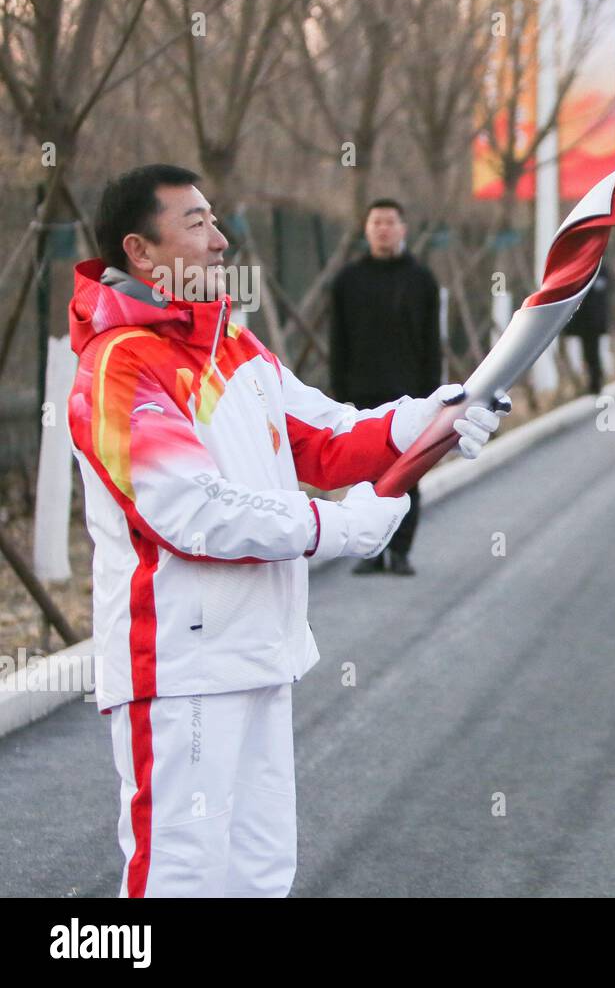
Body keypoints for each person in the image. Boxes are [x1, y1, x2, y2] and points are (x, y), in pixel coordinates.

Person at [66, 164, 507, 897]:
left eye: (215, 220)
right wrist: (341, 527)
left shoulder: (233, 347)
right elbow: (195, 512)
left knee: (261, 875)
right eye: (197, 224)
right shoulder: (118, 366)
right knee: (182, 875)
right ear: (140, 250)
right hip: (181, 671)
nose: (220, 240)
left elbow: (327, 437)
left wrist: (430, 417)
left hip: (263, 653)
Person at [329, 199, 442, 575]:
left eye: (390, 222)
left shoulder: (421, 279)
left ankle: (401, 551)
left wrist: (431, 396)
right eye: (376, 222)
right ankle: (371, 552)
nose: (383, 229)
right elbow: (338, 340)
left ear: (403, 229)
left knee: (407, 472)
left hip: (410, 393)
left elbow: (432, 342)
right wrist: (339, 393)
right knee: (365, 475)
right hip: (362, 393)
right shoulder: (348, 281)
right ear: (366, 229)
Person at [563, 263, 613, 395]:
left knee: (593, 352)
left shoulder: (599, 269)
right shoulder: (580, 269)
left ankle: (596, 381)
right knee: (588, 353)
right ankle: (594, 381)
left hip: (593, 320)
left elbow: (602, 292)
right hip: (585, 321)